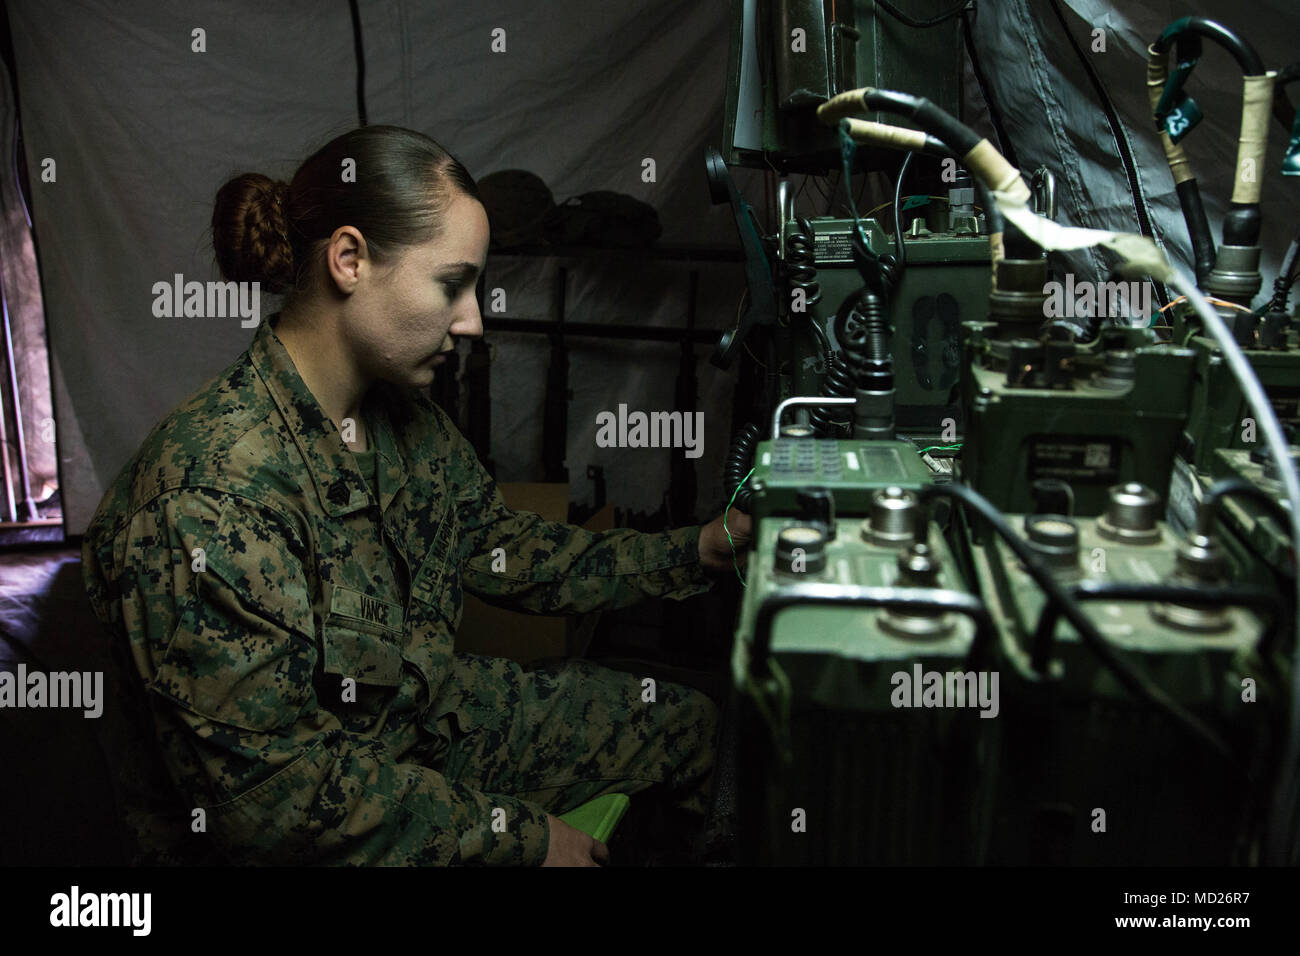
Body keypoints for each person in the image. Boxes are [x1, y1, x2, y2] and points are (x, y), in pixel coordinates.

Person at [81, 125, 752, 866]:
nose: (472, 321)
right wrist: (522, 839)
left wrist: (694, 550)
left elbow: (504, 549)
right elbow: (276, 803)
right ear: (349, 260)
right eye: (450, 285)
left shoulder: (399, 417)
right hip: (301, 823)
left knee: (690, 729)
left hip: (414, 731)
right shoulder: (210, 498)